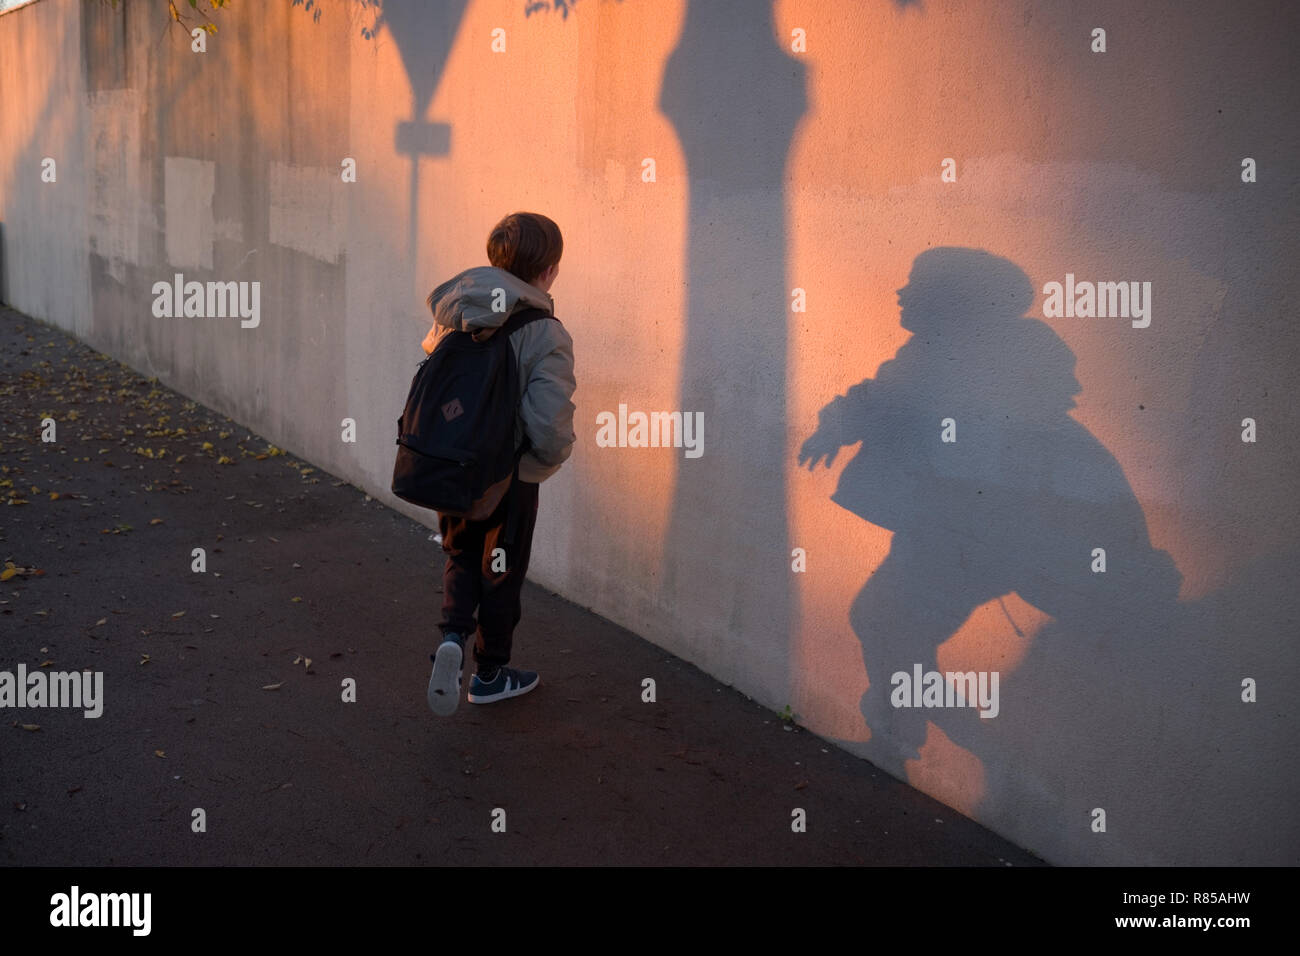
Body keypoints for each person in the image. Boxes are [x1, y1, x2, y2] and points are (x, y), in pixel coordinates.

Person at [422, 212, 576, 715]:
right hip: (507, 475)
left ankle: (451, 637)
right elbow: (549, 423)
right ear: (549, 270)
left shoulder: (456, 309)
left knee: (460, 553)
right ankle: (489, 673)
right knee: (501, 568)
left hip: (450, 462)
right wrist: (538, 466)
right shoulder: (545, 331)